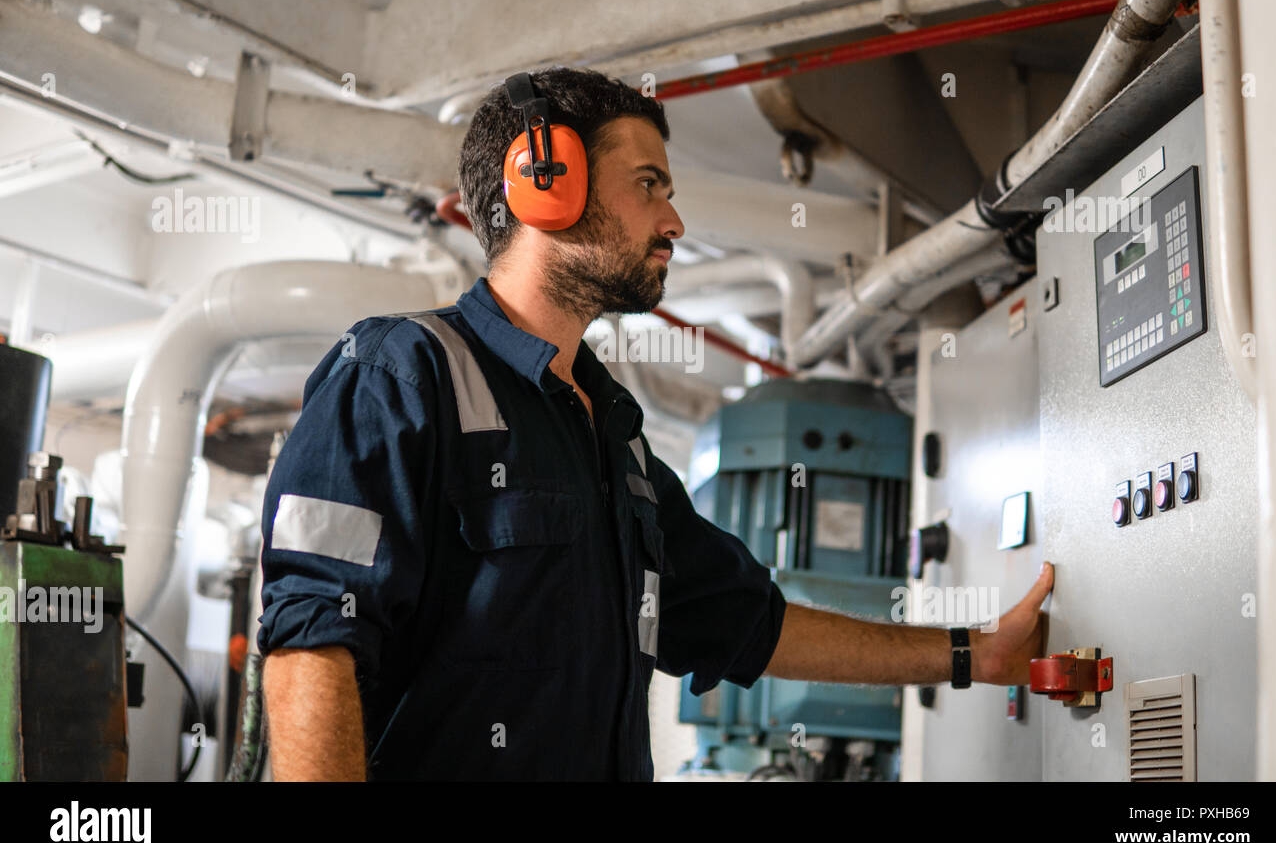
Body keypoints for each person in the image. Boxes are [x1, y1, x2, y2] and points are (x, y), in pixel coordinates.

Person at [258, 67, 1055, 781]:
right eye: (648, 184)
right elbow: (311, 648)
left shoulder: (613, 433)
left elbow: (748, 623)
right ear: (547, 182)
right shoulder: (400, 373)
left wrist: (972, 654)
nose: (673, 221)